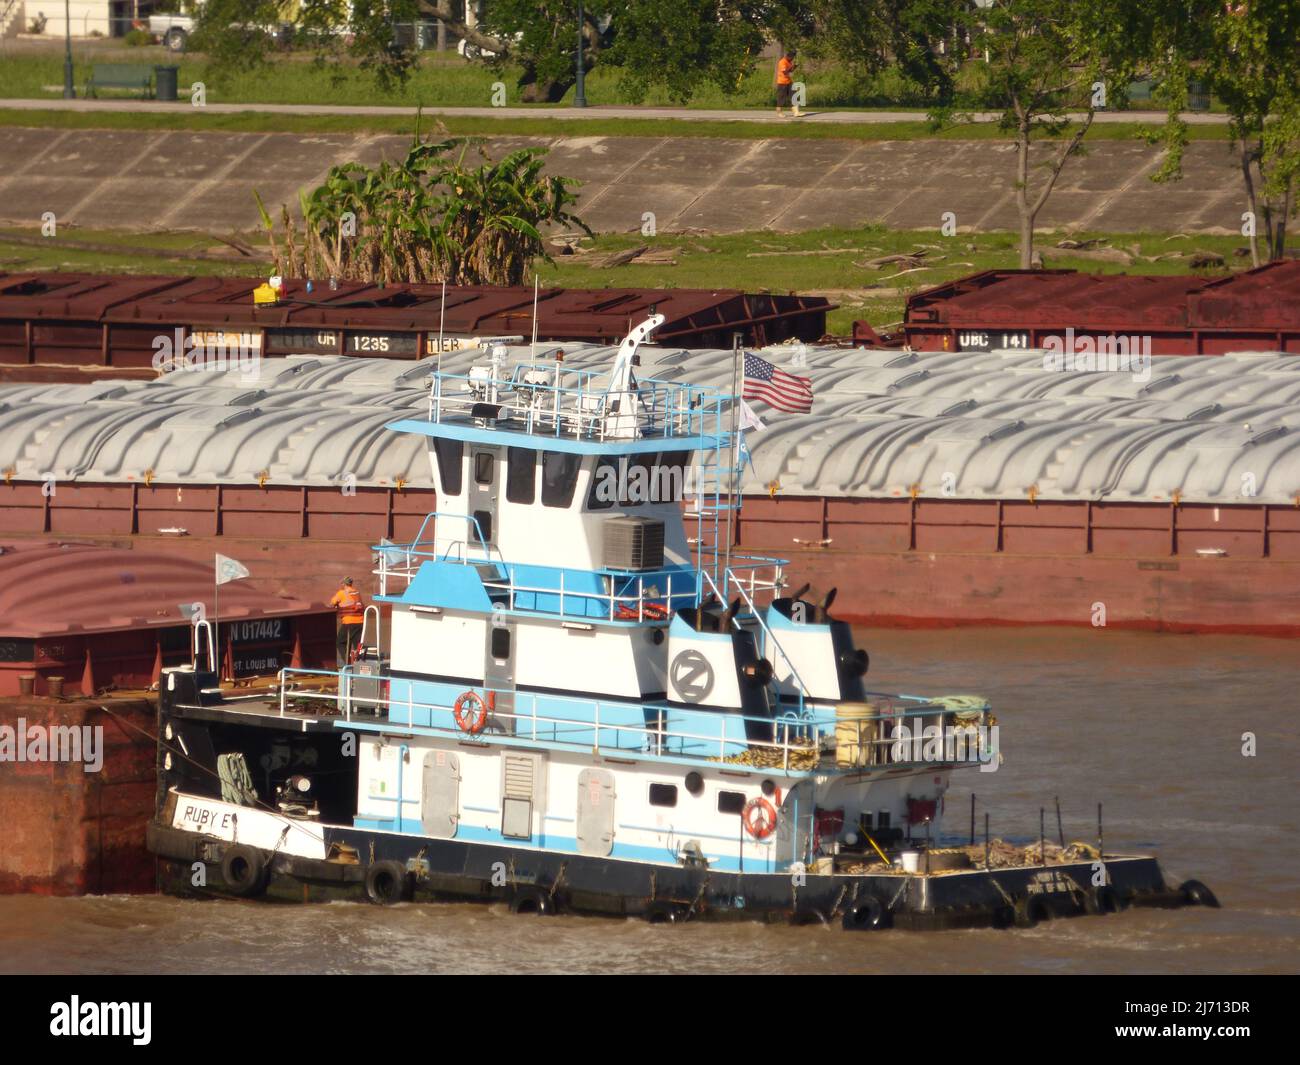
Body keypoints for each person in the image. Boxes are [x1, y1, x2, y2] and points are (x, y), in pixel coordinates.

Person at [330, 577, 365, 669]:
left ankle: (348, 663)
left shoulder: (341, 593)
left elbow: (332, 602)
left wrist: (336, 604)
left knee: (340, 642)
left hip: (349, 622)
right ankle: (359, 663)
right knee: (357, 644)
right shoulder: (356, 593)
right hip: (360, 622)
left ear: (344, 584)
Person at [775, 48, 801, 118]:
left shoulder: (789, 62)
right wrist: (792, 66)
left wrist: (795, 66)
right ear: (789, 56)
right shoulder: (782, 62)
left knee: (794, 95)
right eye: (792, 58)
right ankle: (779, 112)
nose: (792, 59)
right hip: (782, 82)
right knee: (781, 97)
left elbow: (791, 70)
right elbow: (785, 72)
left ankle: (796, 112)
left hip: (789, 81)